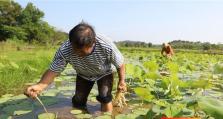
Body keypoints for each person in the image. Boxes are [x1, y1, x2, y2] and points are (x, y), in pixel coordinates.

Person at [24, 22, 126, 112]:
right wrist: (40, 86)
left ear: (93, 42)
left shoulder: (106, 45)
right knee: (78, 99)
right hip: (83, 74)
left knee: (105, 97)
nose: (78, 54)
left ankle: (107, 115)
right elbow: (54, 70)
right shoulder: (65, 49)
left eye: (82, 51)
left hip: (104, 73)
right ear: (71, 42)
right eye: (75, 49)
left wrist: (122, 81)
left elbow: (120, 63)